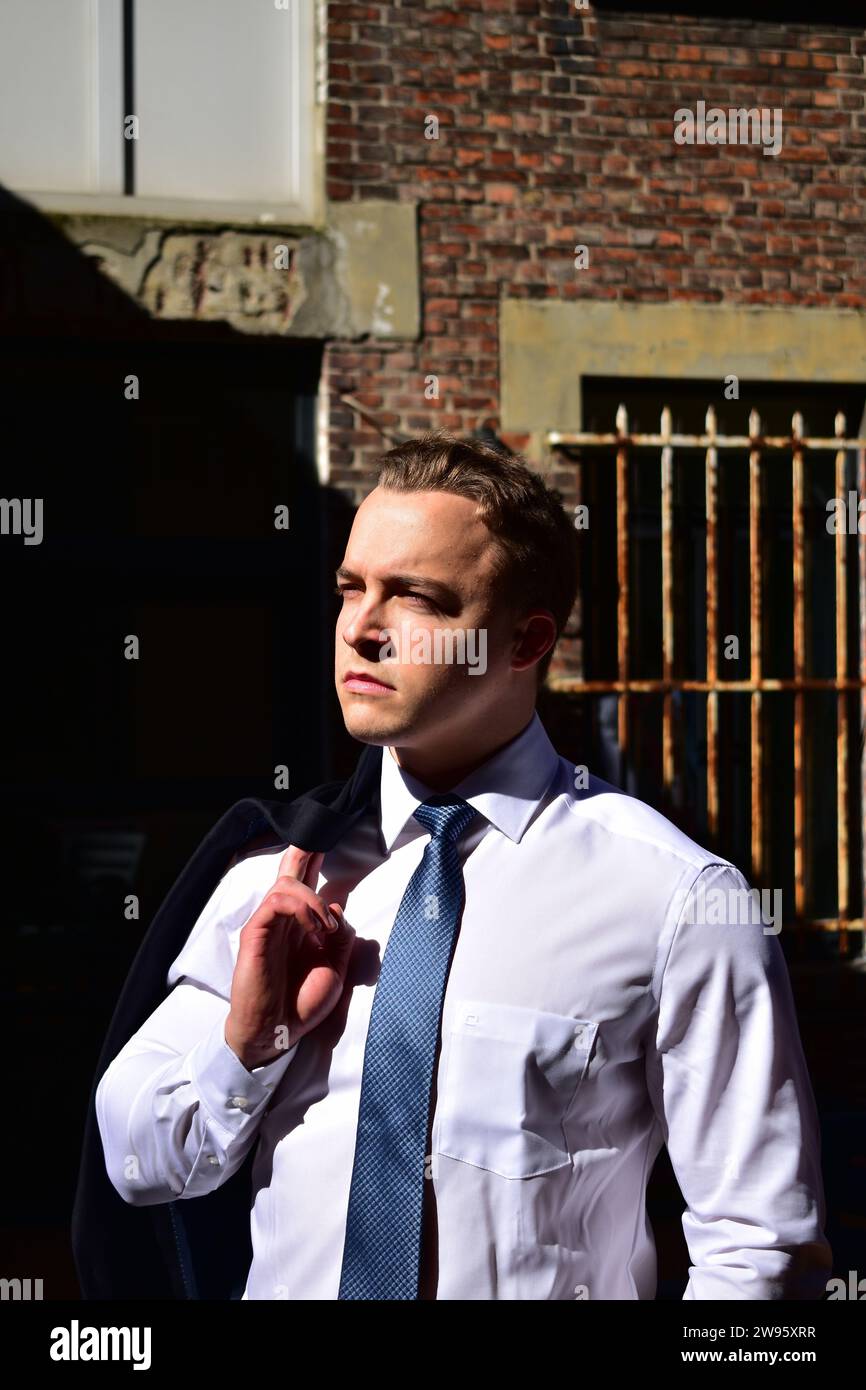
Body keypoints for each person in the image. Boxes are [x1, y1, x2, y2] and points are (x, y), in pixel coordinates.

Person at [95, 430, 832, 1300]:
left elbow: (763, 1251)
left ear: (524, 643)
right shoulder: (281, 872)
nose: (362, 630)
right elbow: (140, 1165)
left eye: (416, 599)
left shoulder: (678, 901)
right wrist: (245, 1048)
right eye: (351, 588)